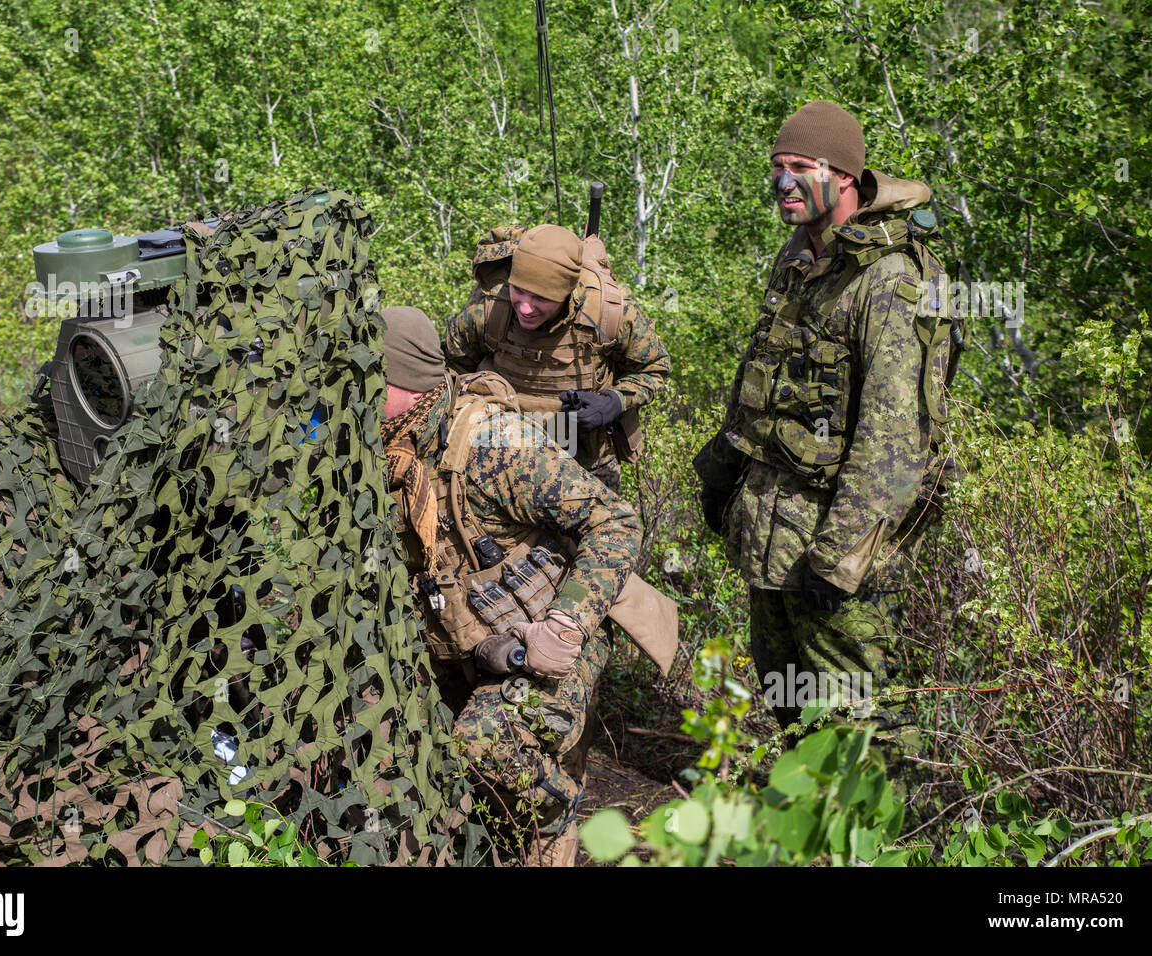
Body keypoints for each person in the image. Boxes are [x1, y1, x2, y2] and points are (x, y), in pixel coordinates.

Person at [692, 100, 959, 737]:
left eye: (800, 168)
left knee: (850, 722)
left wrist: (837, 562)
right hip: (773, 535)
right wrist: (722, 474)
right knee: (791, 713)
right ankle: (798, 836)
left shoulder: (892, 282)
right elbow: (763, 380)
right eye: (777, 168)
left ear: (842, 176)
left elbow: (893, 441)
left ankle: (859, 840)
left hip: (834, 547)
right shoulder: (799, 259)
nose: (783, 182)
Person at [380, 305, 642, 866]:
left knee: (485, 745)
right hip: (462, 648)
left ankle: (557, 822)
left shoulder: (490, 443)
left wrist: (565, 626)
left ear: (401, 381)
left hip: (543, 643)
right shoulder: (387, 450)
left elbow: (615, 522)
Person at [442, 223, 670, 491]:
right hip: (499, 460)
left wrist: (613, 402)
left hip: (585, 465)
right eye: (519, 290)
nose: (526, 307)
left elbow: (655, 368)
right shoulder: (489, 311)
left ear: (566, 292)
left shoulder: (609, 313)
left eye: (541, 297)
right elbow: (448, 375)